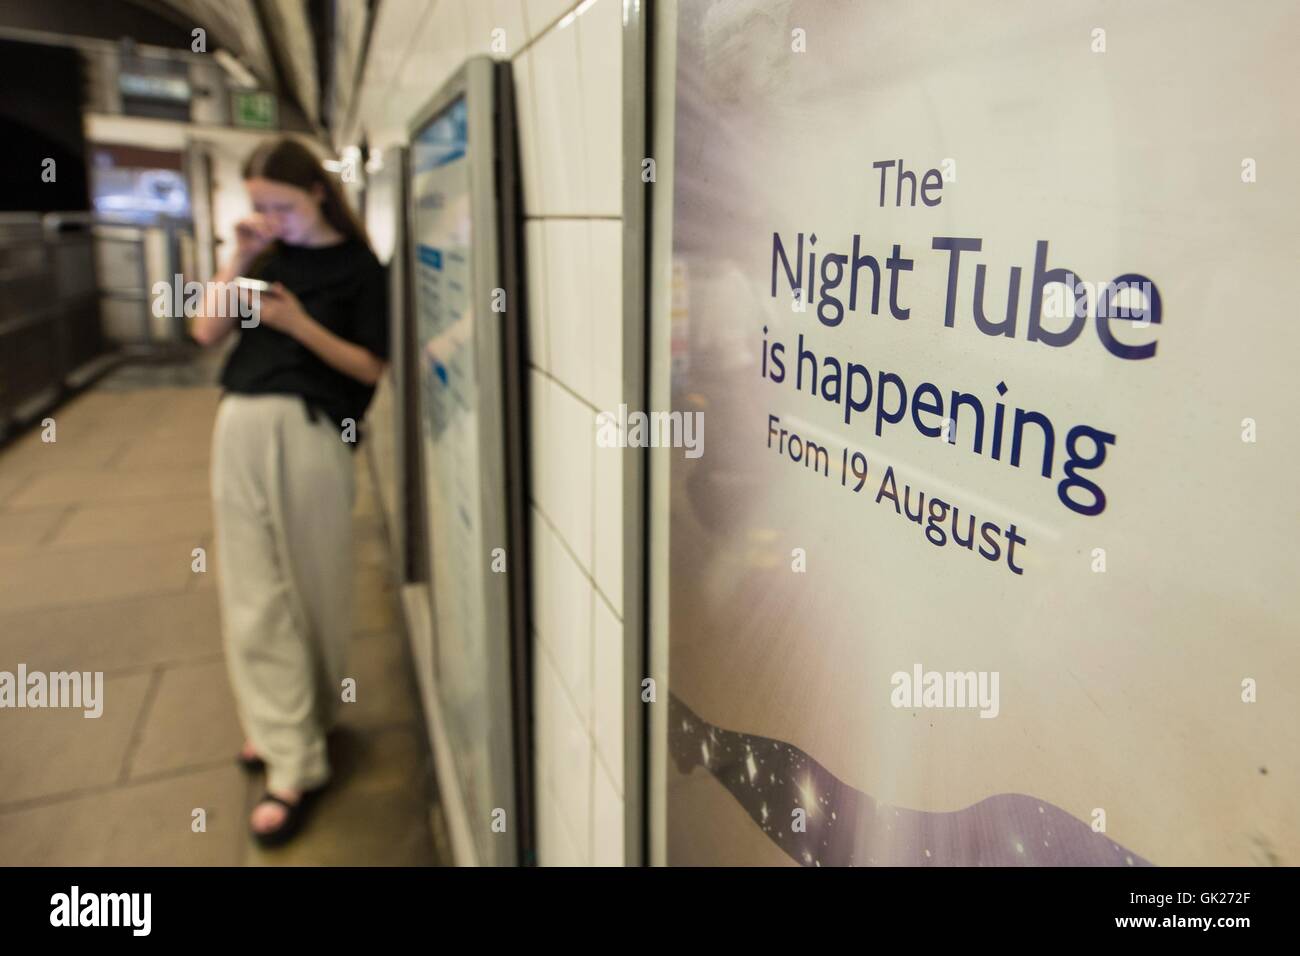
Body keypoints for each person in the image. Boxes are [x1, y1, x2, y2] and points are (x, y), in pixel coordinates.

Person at [191, 136, 388, 846]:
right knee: (251, 590)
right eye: (258, 207)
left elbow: (370, 369)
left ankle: (302, 720)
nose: (271, 217)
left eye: (280, 204)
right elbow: (205, 328)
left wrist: (297, 323)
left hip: (311, 431)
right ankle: (289, 753)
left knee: (313, 590)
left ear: (318, 194)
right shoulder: (263, 259)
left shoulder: (362, 269)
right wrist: (238, 255)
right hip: (240, 421)